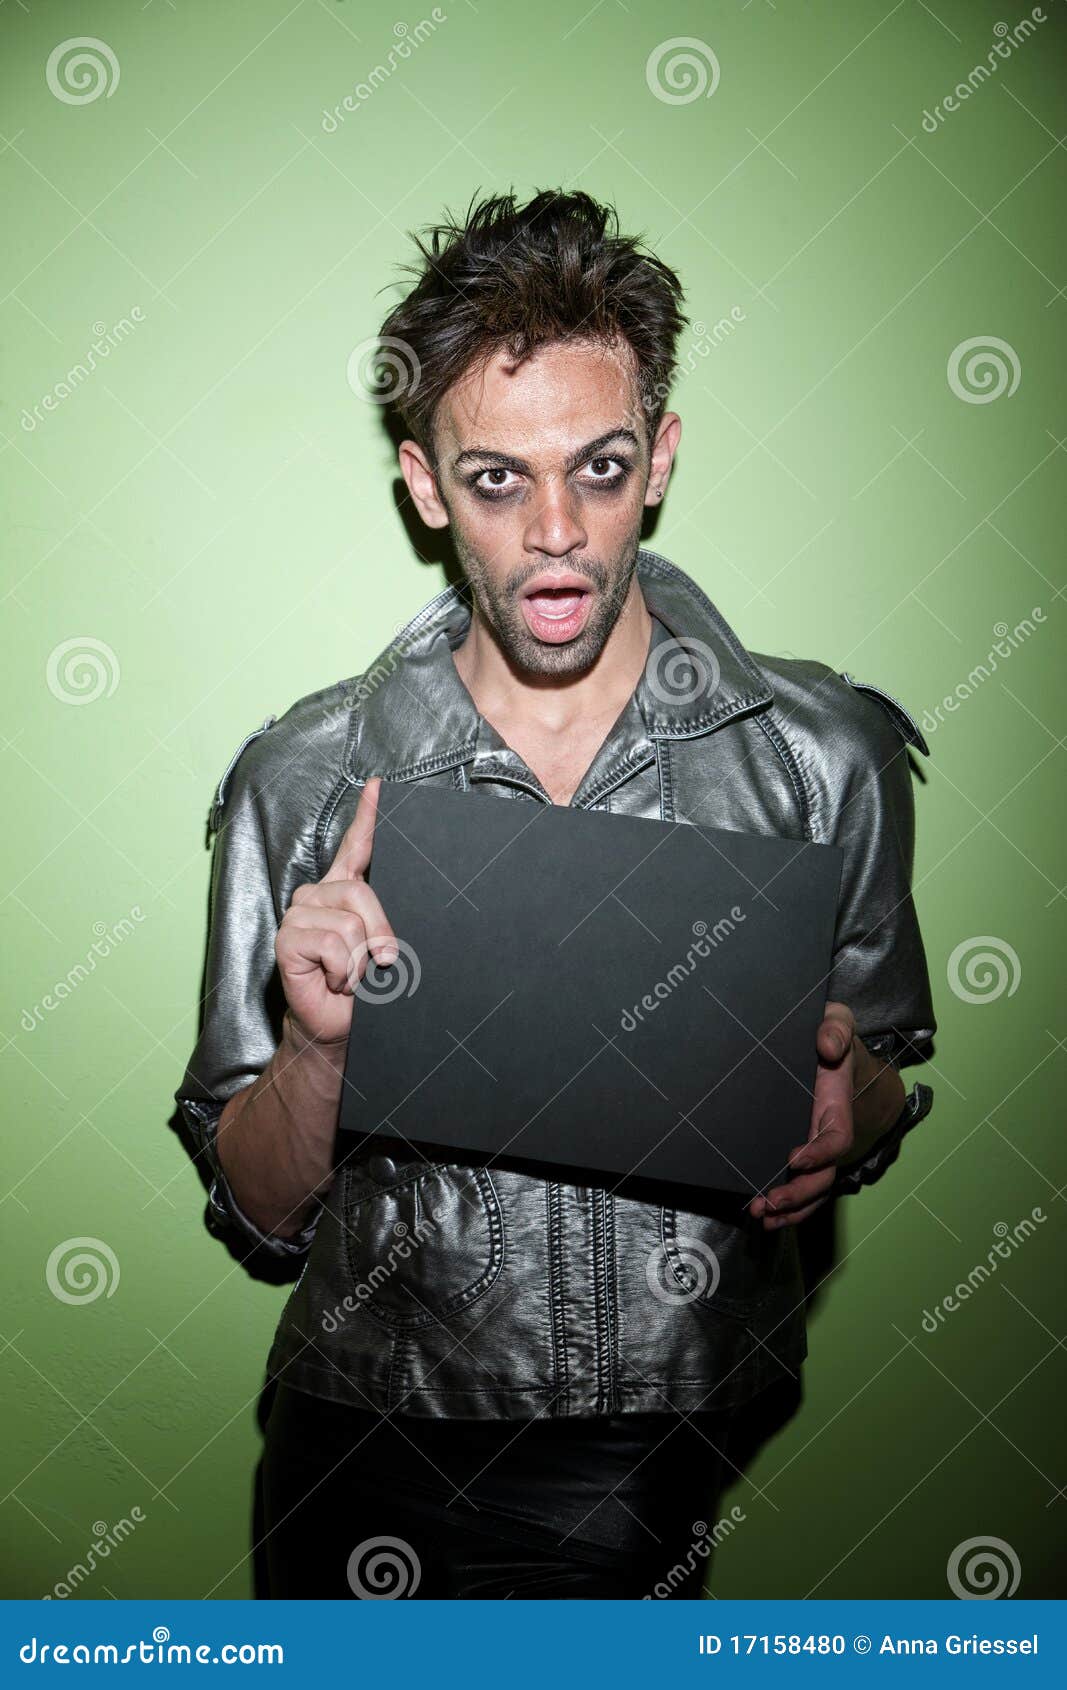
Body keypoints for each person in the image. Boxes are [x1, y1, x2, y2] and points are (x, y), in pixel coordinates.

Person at [175, 189, 936, 1600]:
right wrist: (320, 1050)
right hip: (363, 1443)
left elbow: (881, 1066)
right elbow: (262, 1210)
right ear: (423, 486)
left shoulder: (822, 757)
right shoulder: (303, 781)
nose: (558, 533)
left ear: (660, 458)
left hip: (665, 1451)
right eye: (497, 478)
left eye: (597, 465)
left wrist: (855, 1104)